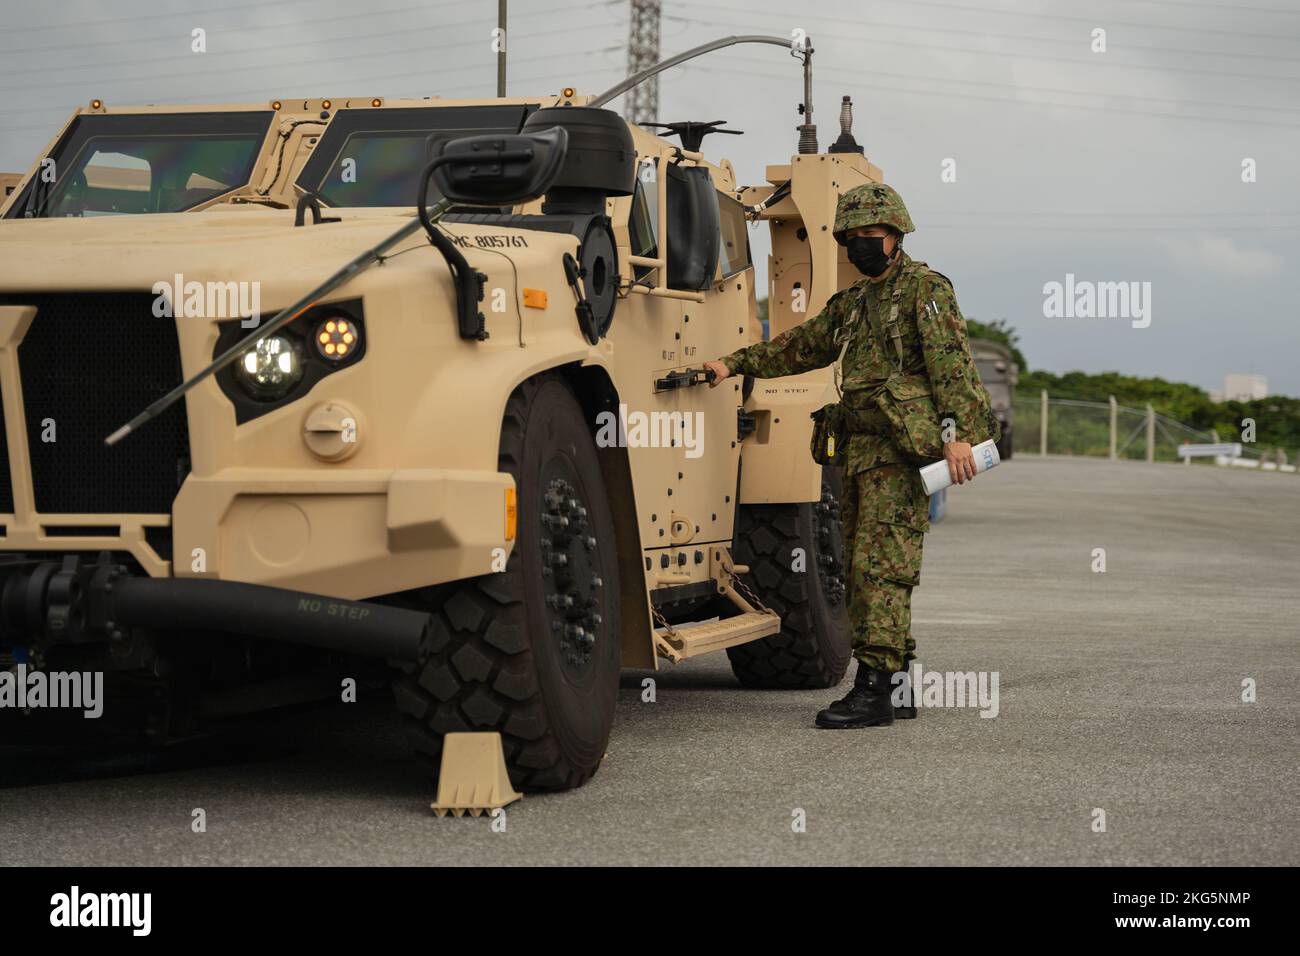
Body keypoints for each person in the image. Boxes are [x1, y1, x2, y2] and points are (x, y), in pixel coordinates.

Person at [703, 182, 999, 729]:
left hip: (902, 452)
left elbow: (952, 367)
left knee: (878, 569)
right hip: (860, 450)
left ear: (896, 236)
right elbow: (800, 346)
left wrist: (960, 434)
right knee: (867, 566)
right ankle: (900, 682)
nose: (861, 246)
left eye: (871, 236)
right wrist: (733, 363)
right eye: (853, 238)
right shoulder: (855, 303)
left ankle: (874, 690)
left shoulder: (924, 289)